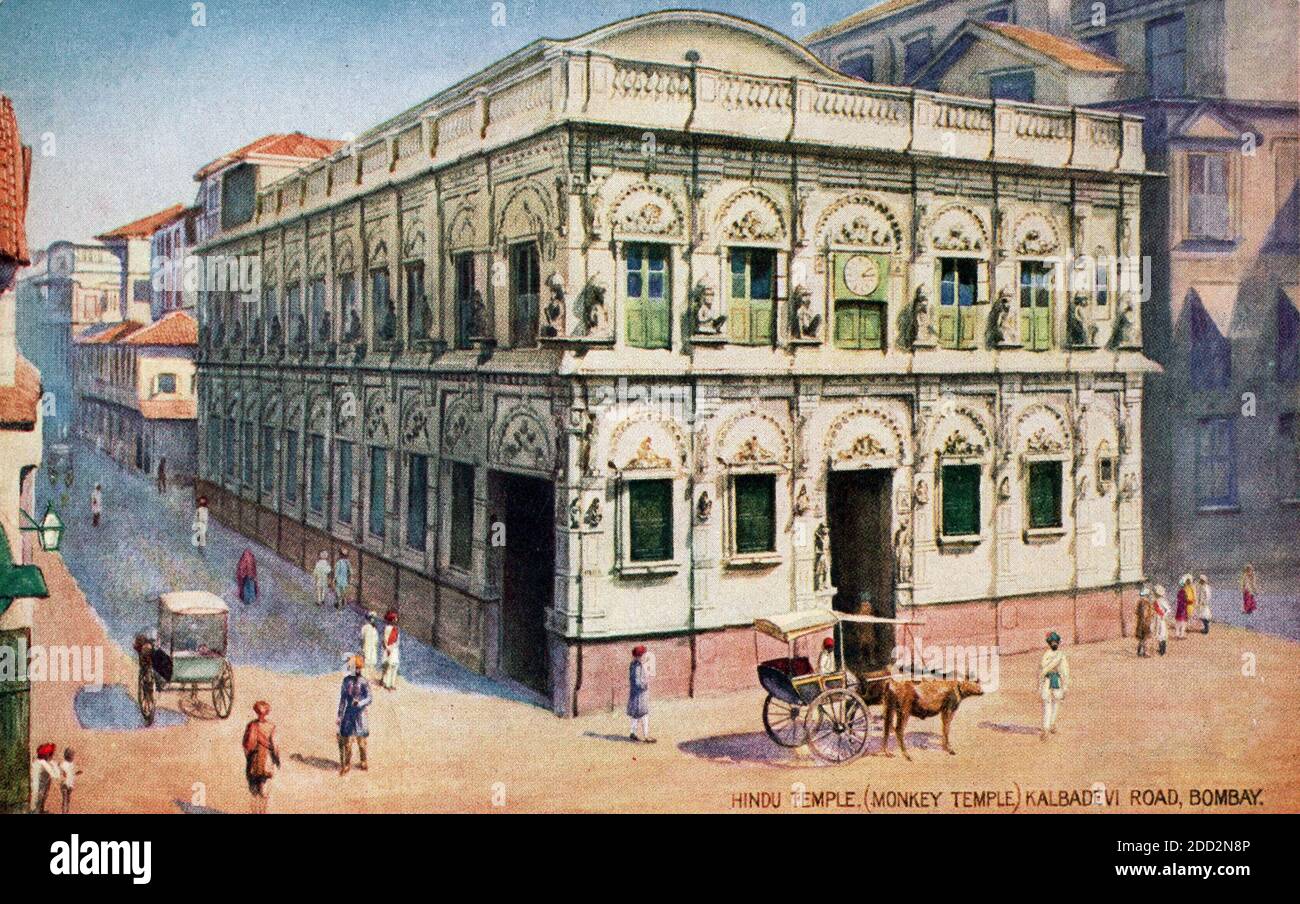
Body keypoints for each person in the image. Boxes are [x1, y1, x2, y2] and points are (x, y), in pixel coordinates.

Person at [242, 701, 281, 814]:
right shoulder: (271, 727)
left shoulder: (251, 725)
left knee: (254, 793)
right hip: (266, 763)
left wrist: (248, 758)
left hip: (253, 762)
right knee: (264, 792)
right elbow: (275, 746)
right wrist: (277, 760)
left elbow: (246, 744)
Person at [337, 655, 372, 775]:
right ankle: (346, 764)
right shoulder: (346, 681)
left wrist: (360, 702)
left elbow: (369, 698)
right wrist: (339, 715)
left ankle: (363, 761)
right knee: (347, 743)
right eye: (354, 668)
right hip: (348, 715)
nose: (357, 670)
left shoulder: (363, 681)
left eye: (358, 668)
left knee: (361, 742)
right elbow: (343, 699)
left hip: (360, 715)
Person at [1038, 631, 1069, 740]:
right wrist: (1040, 686)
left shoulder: (1058, 655)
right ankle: (1046, 728)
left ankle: (1051, 724)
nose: (1054, 644)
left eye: (1055, 642)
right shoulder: (1048, 655)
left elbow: (1065, 671)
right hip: (1048, 682)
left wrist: (1065, 686)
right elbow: (1042, 671)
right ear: (1050, 643)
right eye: (1052, 642)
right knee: (1048, 703)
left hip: (1056, 682)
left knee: (1055, 702)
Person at [627, 645, 654, 743]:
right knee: (644, 714)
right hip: (639, 695)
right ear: (639, 656)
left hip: (635, 694)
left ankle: (633, 733)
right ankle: (646, 736)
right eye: (642, 654)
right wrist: (645, 684)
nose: (644, 656)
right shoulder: (637, 666)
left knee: (636, 715)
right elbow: (637, 682)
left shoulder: (633, 664)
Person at [30, 743, 58, 814]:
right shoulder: (44, 763)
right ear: (47, 755)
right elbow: (55, 775)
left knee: (39, 802)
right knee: (39, 803)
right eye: (51, 754)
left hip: (36, 785)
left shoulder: (37, 761)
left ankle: (41, 811)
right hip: (40, 787)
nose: (52, 755)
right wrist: (54, 765)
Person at [381, 610, 400, 690]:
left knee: (395, 665)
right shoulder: (388, 628)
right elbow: (385, 639)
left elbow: (397, 641)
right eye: (395, 618)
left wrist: (395, 647)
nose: (396, 620)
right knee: (388, 665)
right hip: (389, 649)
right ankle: (386, 683)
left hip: (395, 649)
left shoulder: (396, 629)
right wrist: (388, 648)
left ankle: (392, 683)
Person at [58, 748, 81, 814]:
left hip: (68, 783)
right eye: (72, 755)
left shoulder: (70, 764)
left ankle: (65, 811)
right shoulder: (66, 764)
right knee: (66, 799)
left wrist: (76, 773)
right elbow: (65, 773)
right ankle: (64, 812)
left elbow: (70, 774)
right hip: (66, 784)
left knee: (66, 799)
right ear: (69, 756)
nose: (73, 757)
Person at [1135, 586, 1153, 658]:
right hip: (1145, 622)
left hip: (1140, 622)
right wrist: (1150, 617)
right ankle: (1145, 652)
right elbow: (1145, 614)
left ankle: (1139, 651)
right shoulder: (1146, 603)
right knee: (1146, 638)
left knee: (1141, 638)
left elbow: (1136, 612)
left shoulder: (1139, 602)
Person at [361, 613, 381, 679]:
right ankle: (364, 677)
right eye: (372, 619)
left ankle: (368, 677)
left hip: (372, 648)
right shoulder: (365, 627)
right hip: (367, 647)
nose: (373, 620)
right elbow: (362, 638)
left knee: (371, 662)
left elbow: (376, 641)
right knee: (366, 662)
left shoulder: (374, 629)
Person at [1174, 574, 1194, 639]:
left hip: (1178, 609)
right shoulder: (1184, 593)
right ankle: (1181, 635)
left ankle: (1177, 634)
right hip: (1183, 610)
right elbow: (1185, 601)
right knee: (1183, 623)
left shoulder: (1179, 592)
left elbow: (1180, 601)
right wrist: (1191, 601)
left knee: (1178, 622)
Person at [1152, 585, 1170, 656]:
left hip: (1161, 618)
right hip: (1157, 618)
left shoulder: (1162, 601)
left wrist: (1163, 615)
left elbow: (1168, 610)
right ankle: (1161, 649)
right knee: (1158, 633)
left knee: (1162, 633)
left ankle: (1163, 650)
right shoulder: (1156, 601)